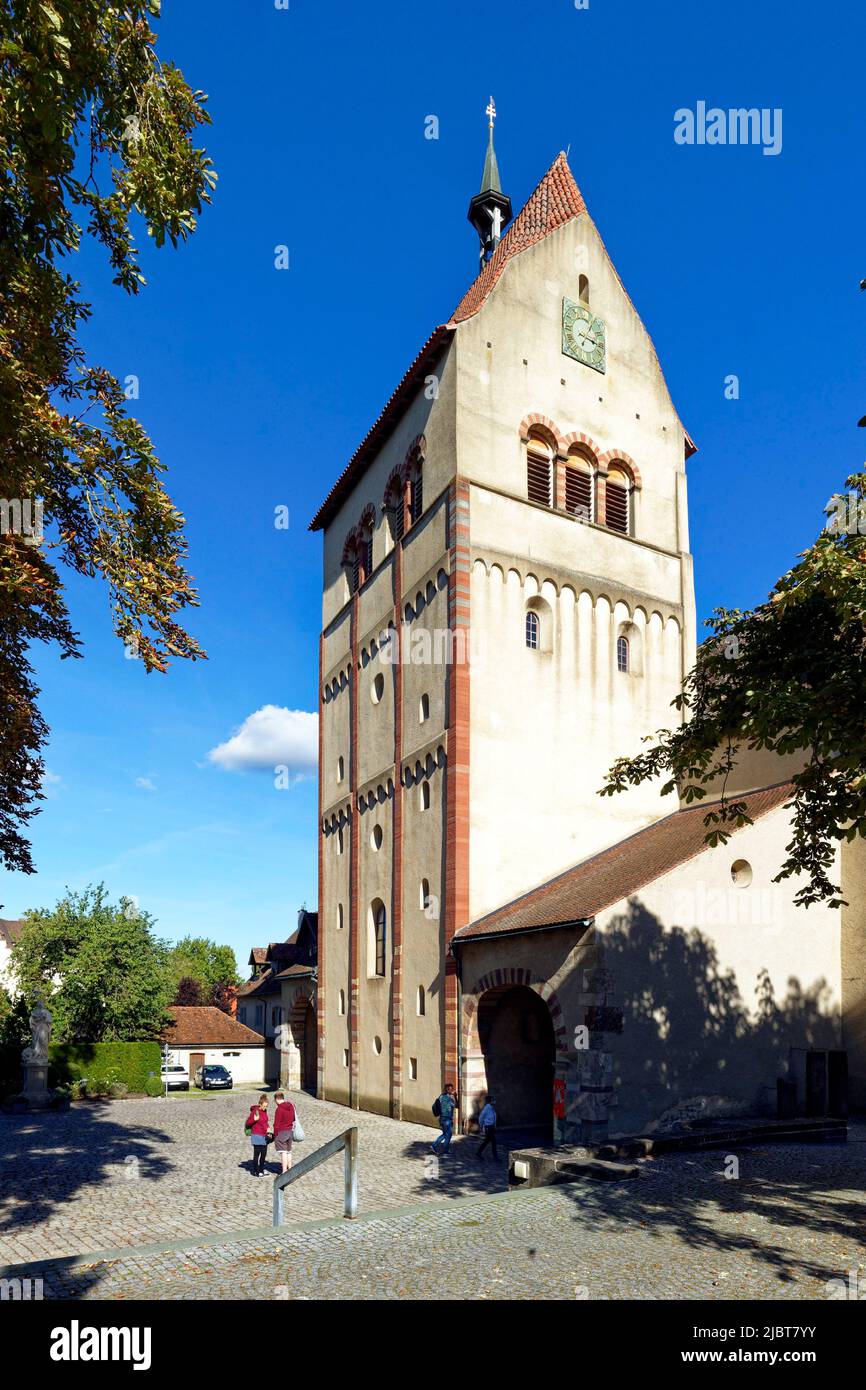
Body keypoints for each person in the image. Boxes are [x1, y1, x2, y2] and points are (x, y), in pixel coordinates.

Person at [272, 1090, 296, 1174]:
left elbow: (276, 1124)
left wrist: (275, 1135)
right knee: (289, 1151)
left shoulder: (279, 1109)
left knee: (283, 1152)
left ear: (277, 1099)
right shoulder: (291, 1106)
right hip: (290, 1131)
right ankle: (290, 1168)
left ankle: (284, 1171)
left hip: (282, 1132)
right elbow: (293, 1118)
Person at [431, 1082, 458, 1155]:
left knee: (447, 1134)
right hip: (447, 1119)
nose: (451, 1090)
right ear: (447, 1089)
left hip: (442, 1118)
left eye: (451, 1089)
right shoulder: (449, 1099)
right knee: (446, 1134)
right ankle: (434, 1145)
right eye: (450, 1089)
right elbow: (457, 1106)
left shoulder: (441, 1096)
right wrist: (455, 1097)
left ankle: (446, 1149)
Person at [246, 1094, 270, 1176]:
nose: (265, 1108)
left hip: (264, 1136)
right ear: (260, 1104)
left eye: (266, 1106)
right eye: (264, 1106)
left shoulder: (264, 1111)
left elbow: (265, 1122)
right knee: (257, 1154)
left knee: (263, 1154)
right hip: (256, 1135)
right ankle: (256, 1171)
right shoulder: (255, 1111)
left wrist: (268, 1130)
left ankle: (261, 1169)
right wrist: (254, 1119)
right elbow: (247, 1123)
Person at [476, 1094, 498, 1161]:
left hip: (492, 1127)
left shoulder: (491, 1107)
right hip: (488, 1127)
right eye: (493, 1100)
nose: (494, 1101)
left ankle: (479, 1152)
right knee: (494, 1142)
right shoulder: (487, 1108)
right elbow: (481, 1118)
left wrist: (495, 1126)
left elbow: (493, 1117)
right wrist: (481, 1126)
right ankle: (495, 1157)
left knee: (486, 1141)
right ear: (490, 1101)